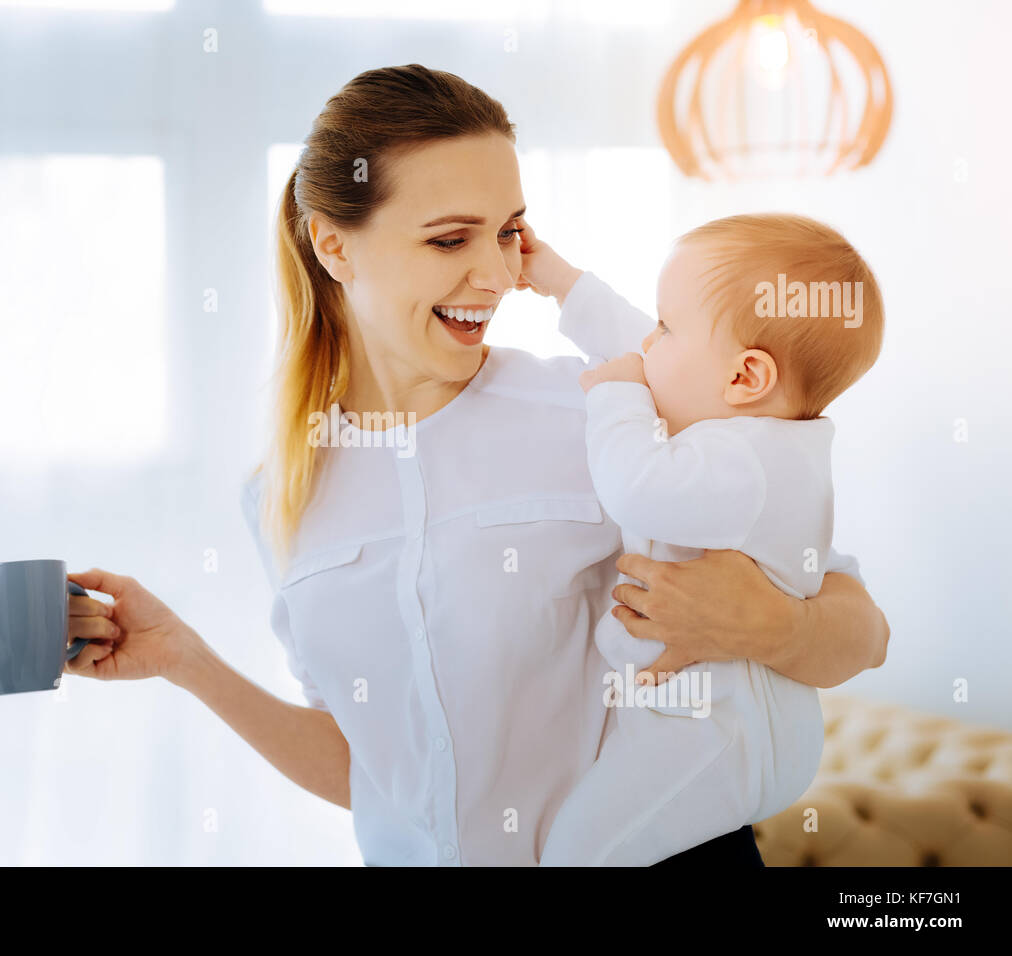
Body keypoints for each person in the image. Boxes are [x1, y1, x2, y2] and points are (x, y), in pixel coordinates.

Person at [63, 65, 890, 866]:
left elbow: (862, 631)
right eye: (450, 239)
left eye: (506, 234)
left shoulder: (610, 410)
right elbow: (374, 771)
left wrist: (771, 626)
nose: (496, 276)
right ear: (334, 246)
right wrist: (185, 660)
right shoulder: (282, 494)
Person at [517, 213, 884, 864]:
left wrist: (616, 397)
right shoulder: (755, 434)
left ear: (745, 378)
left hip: (713, 732)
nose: (647, 342)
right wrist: (561, 282)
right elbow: (646, 346)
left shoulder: (743, 463)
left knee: (577, 854)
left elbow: (634, 485)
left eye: (666, 326)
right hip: (730, 725)